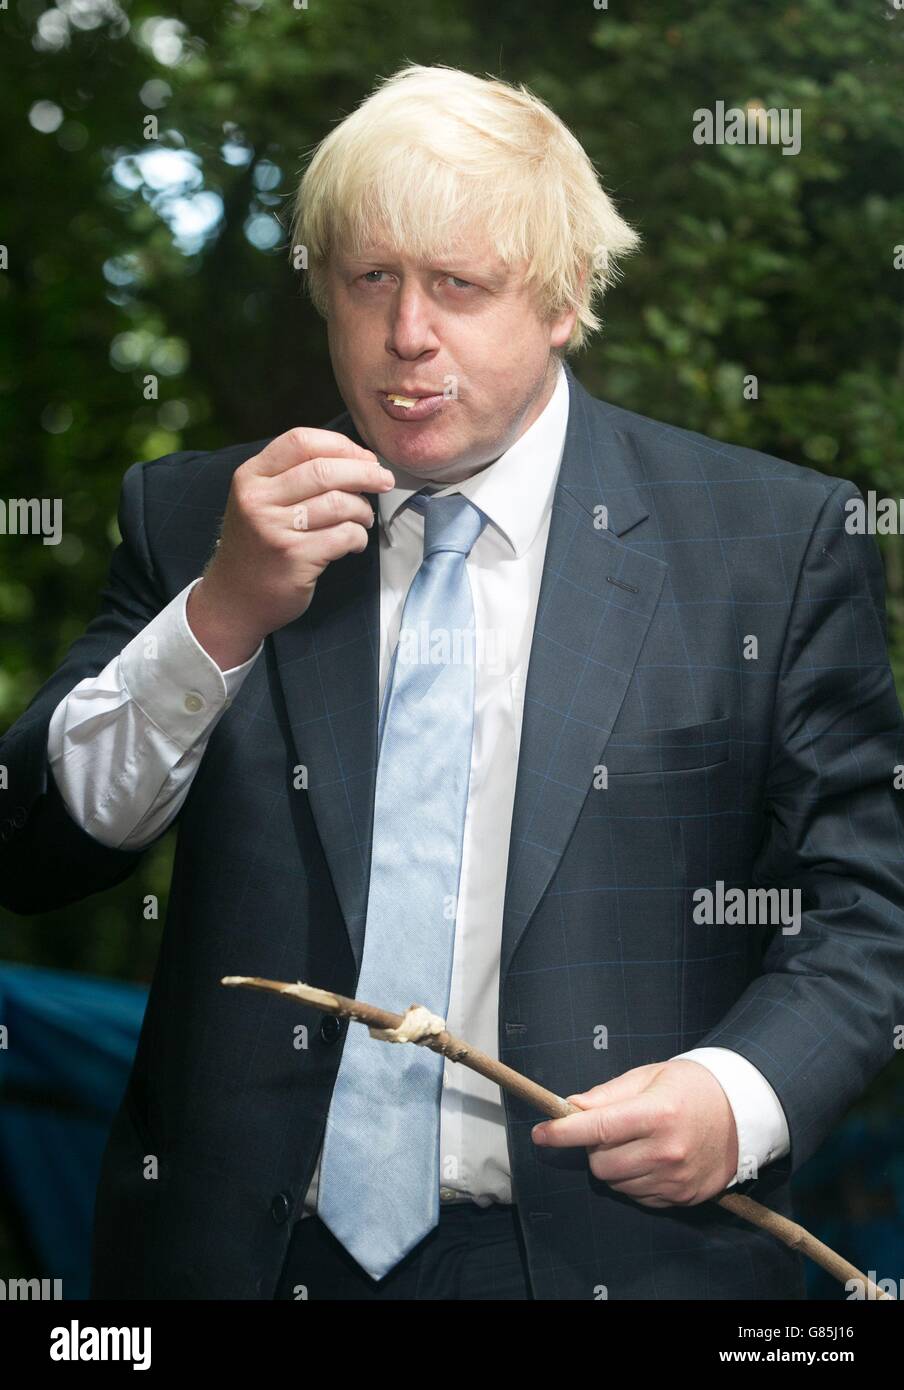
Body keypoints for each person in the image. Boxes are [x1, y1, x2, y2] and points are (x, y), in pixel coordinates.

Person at [2, 63, 902, 1301]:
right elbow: (36, 851)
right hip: (239, 1263)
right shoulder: (201, 519)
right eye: (370, 279)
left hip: (615, 1263)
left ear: (566, 297)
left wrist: (739, 1093)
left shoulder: (767, 544)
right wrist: (216, 616)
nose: (406, 335)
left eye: (459, 285)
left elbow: (866, 909)